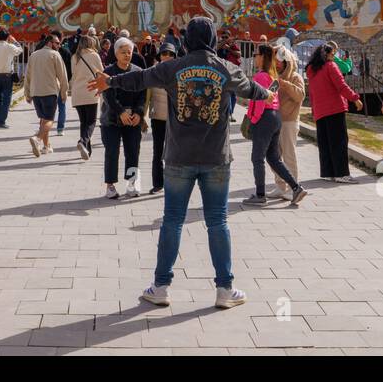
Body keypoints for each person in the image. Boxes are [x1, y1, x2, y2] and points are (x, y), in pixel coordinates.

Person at [88, 16, 274, 309]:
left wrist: (110, 80)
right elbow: (252, 89)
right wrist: (269, 91)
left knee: (172, 221)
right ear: (212, 39)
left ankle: (161, 286)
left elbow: (141, 78)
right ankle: (225, 289)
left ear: (186, 41)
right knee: (218, 222)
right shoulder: (225, 68)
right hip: (216, 158)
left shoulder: (173, 67)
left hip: (178, 158)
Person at [243, 43, 307, 206]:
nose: (254, 57)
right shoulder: (273, 76)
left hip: (269, 118)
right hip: (276, 118)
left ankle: (260, 195)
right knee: (273, 157)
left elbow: (258, 102)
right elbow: (273, 98)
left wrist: (253, 120)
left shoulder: (262, 77)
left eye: (256, 54)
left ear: (263, 57)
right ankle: (295, 188)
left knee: (257, 157)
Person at [306, 41, 362, 182]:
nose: (334, 56)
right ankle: (342, 173)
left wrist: (313, 110)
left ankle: (327, 172)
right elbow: (341, 86)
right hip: (334, 109)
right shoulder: (331, 66)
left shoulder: (311, 70)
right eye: (332, 53)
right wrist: (355, 98)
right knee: (339, 142)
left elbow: (312, 93)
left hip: (320, 110)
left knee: (324, 143)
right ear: (327, 54)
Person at [99, 37, 148, 198]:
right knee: (112, 151)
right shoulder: (108, 72)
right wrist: (120, 112)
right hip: (111, 119)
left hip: (133, 118)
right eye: (123, 52)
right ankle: (110, 185)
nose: (127, 55)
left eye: (129, 52)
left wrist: (139, 113)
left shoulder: (138, 72)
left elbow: (142, 94)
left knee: (133, 151)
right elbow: (108, 96)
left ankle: (132, 183)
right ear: (116, 53)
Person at [24, 32, 68, 157]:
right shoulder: (55, 55)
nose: (59, 46)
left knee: (43, 119)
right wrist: (64, 92)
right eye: (57, 43)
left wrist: (27, 93)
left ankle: (46, 146)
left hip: (36, 92)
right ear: (50, 43)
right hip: (50, 92)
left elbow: (28, 76)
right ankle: (37, 138)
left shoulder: (34, 55)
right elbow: (62, 76)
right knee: (49, 120)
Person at [273, 45, 306, 200]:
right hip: (274, 121)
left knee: (289, 156)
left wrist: (286, 85)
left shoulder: (295, 77)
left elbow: (300, 96)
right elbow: (268, 94)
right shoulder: (274, 76)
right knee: (275, 156)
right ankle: (280, 186)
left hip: (289, 122)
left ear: (286, 61)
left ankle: (293, 188)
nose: (276, 63)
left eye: (279, 61)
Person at [147, 43, 177, 194]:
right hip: (158, 117)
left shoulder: (179, 72)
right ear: (159, 55)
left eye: (170, 54)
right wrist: (142, 117)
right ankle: (158, 183)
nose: (167, 56)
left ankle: (173, 183)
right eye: (164, 53)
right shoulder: (153, 72)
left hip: (175, 119)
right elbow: (147, 96)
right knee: (157, 151)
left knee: (173, 152)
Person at [69, 34, 104, 161]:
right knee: (91, 121)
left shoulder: (74, 57)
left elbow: (73, 74)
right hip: (90, 90)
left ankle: (86, 150)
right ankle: (83, 142)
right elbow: (101, 73)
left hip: (77, 92)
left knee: (84, 122)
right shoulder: (94, 55)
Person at [0, 29, 21, 129]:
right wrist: (14, 41)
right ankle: (1, 121)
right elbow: (20, 50)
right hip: (7, 75)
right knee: (7, 98)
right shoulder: (10, 46)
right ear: (7, 38)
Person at [55, 29, 72, 136]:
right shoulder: (65, 52)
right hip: (59, 82)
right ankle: (60, 128)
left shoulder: (63, 52)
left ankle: (45, 127)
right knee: (61, 106)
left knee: (53, 107)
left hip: (53, 83)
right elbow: (70, 70)